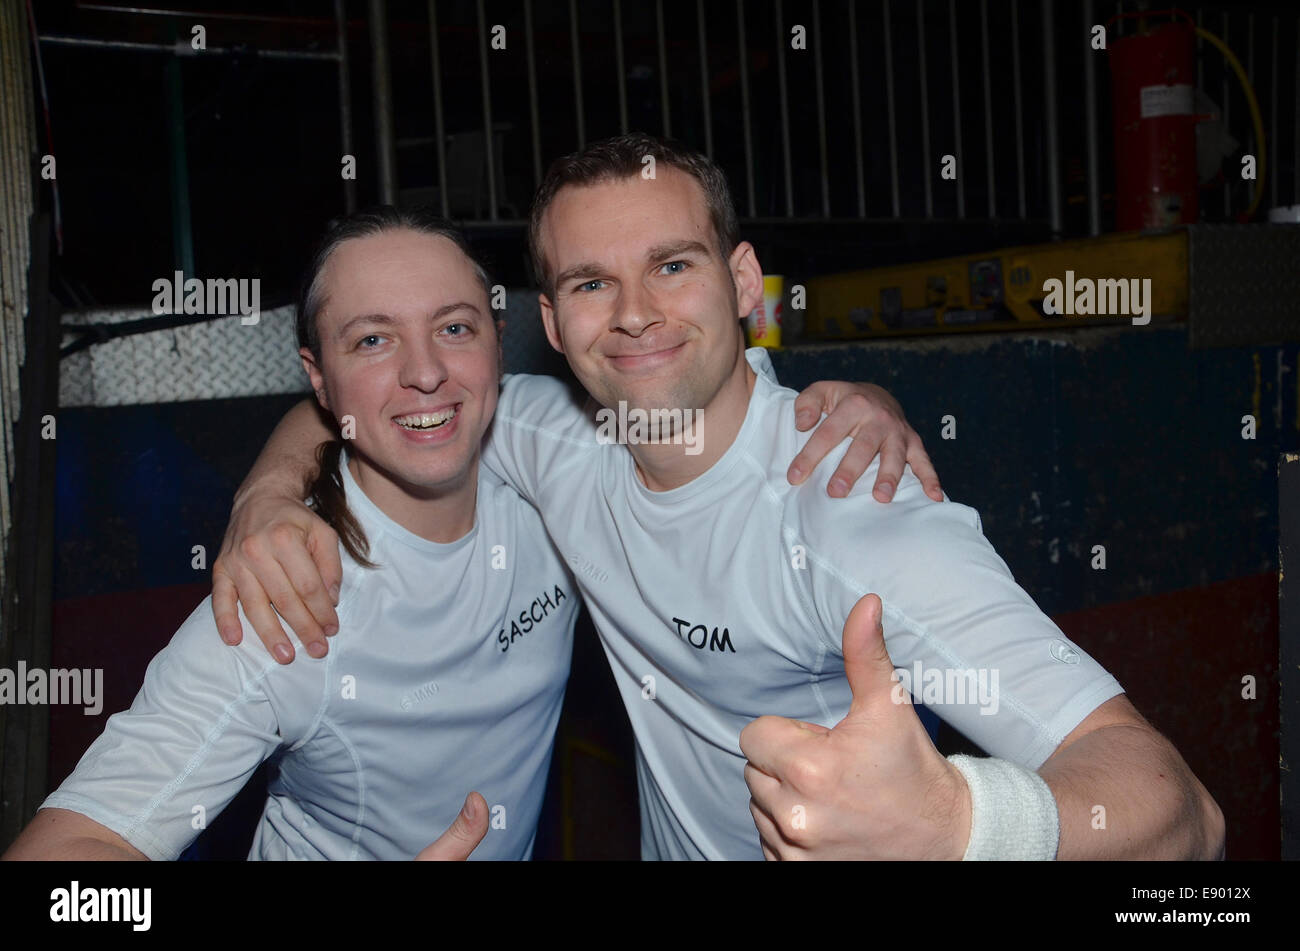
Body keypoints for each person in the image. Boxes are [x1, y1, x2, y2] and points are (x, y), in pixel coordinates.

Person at [213, 133, 1224, 861]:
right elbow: (381, 396)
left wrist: (964, 826)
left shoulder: (850, 511)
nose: (637, 313)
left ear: (743, 282)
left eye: (672, 265)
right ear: (553, 328)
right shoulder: (548, 434)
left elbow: (1177, 807)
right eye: (590, 284)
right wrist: (262, 498)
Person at [3, 205, 927, 862]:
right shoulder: (283, 602)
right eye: (371, 341)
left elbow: (715, 414)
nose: (424, 374)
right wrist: (270, 499)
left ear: (499, 340)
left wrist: (852, 406)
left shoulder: (551, 461)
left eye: (453, 328)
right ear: (317, 378)